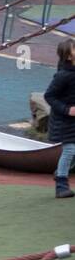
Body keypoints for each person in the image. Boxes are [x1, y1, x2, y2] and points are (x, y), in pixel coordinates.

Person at [44, 38, 75, 199]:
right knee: (70, 150)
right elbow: (49, 96)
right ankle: (61, 185)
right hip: (64, 121)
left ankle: (60, 171)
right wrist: (67, 109)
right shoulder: (63, 75)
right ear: (69, 56)